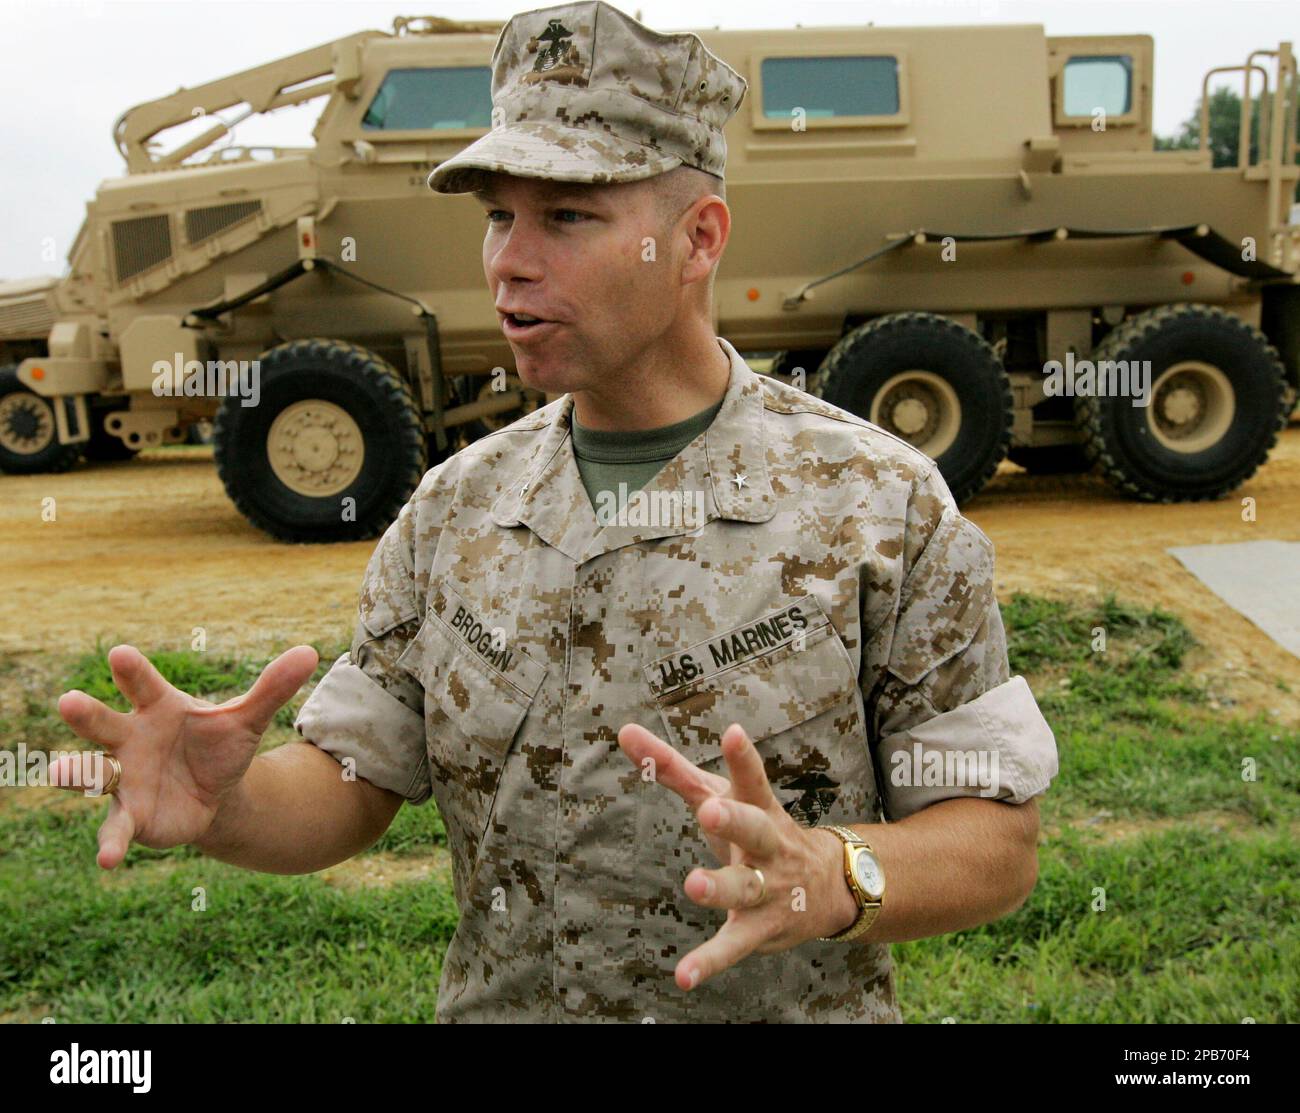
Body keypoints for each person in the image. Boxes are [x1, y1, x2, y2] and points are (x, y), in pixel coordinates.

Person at [51, 0, 1058, 1023]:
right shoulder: (453, 510)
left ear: (697, 239)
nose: (507, 261)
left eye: (567, 216)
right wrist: (228, 803)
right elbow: (352, 778)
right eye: (499, 214)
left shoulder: (876, 507)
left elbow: (994, 842)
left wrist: (831, 875)